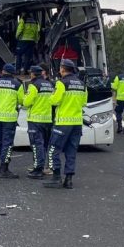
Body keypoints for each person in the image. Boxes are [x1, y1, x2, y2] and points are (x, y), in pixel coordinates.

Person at [43, 58, 88, 189]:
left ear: (63, 69)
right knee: (71, 151)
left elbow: (54, 101)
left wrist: (51, 96)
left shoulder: (61, 83)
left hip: (63, 123)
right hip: (77, 123)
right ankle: (69, 179)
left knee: (53, 149)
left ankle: (56, 177)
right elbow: (84, 102)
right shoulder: (82, 84)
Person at [0, 63, 25, 178]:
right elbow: (21, 101)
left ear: (3, 72)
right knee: (7, 144)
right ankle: (4, 169)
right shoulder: (17, 85)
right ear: (13, 73)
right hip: (9, 119)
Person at [23, 65, 55, 179]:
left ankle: (38, 169)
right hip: (47, 119)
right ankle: (44, 166)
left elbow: (26, 102)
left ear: (33, 74)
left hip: (35, 119)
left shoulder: (33, 85)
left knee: (37, 145)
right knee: (44, 145)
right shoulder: (50, 85)